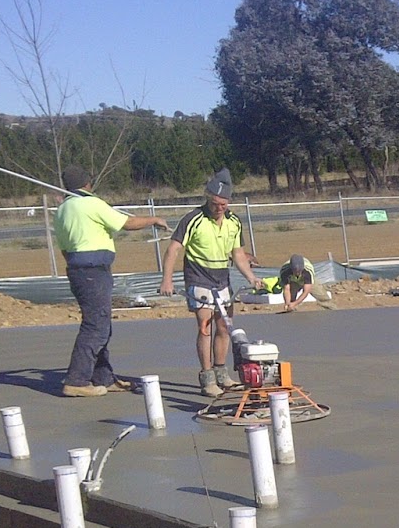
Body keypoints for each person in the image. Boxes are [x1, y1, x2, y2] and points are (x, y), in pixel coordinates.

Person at [52, 165, 168, 397]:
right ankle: (77, 379)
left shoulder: (63, 209)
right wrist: (153, 220)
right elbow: (125, 222)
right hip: (93, 271)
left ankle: (103, 377)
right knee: (95, 326)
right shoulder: (91, 204)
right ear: (87, 183)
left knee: (100, 324)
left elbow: (64, 248)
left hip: (78, 268)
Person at [159, 168, 261, 397]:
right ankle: (207, 378)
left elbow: (238, 254)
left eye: (224, 204)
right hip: (199, 277)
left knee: (224, 326)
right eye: (216, 203)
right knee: (205, 328)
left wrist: (251, 278)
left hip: (222, 278)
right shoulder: (193, 219)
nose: (219, 208)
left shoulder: (234, 222)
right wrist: (167, 279)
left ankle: (221, 372)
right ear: (208, 198)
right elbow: (174, 249)